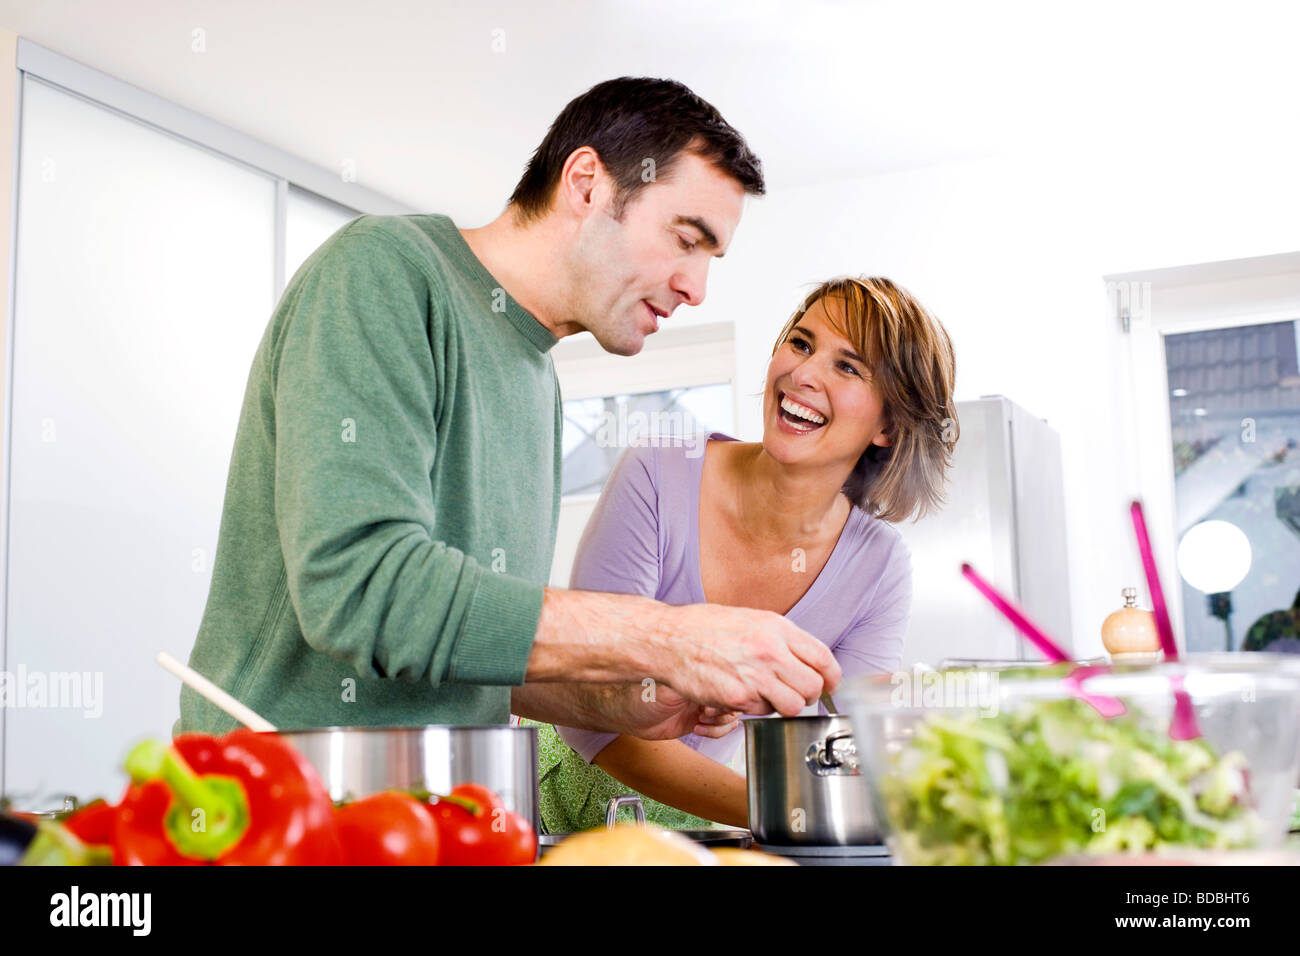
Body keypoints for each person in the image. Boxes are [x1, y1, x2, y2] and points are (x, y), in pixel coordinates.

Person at [179, 77, 841, 743]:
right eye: (686, 239)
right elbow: (361, 591)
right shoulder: (384, 272)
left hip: (439, 815)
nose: (695, 288)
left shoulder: (536, 377)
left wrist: (618, 700)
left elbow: (461, 641)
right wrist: (667, 637)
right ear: (587, 185)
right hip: (274, 810)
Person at [528, 277, 958, 831]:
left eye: (848, 367)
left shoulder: (877, 564)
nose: (802, 374)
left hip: (699, 819)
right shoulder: (657, 472)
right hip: (547, 803)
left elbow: (857, 742)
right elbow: (591, 713)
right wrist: (778, 811)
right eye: (801, 343)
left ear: (889, 426)